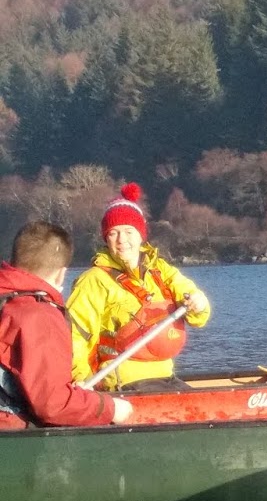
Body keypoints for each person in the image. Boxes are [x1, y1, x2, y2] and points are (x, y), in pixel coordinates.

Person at [67, 183, 212, 392]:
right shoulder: (93, 280)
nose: (121, 240)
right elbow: (75, 336)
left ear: (141, 235)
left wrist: (198, 303)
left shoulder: (160, 270)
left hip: (165, 376)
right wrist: (80, 379)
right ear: (106, 239)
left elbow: (197, 311)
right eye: (113, 233)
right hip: (123, 383)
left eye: (128, 231)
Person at [0, 221, 133, 430]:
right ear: (62, 273)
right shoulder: (38, 315)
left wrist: (74, 393)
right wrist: (110, 408)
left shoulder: (6, 300)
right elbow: (52, 405)